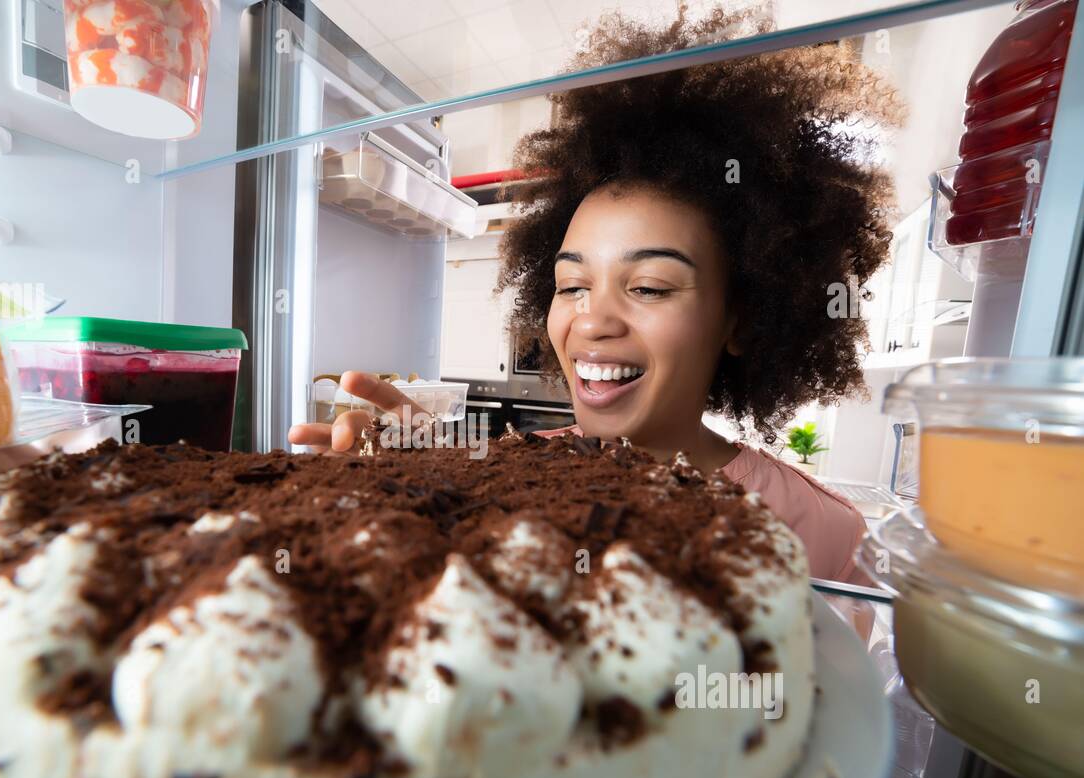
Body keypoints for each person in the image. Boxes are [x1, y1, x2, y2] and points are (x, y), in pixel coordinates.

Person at [289, 6, 901, 592]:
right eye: (572, 286)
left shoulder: (824, 535)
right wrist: (428, 489)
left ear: (739, 319)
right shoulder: (500, 473)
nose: (593, 320)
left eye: (648, 288)